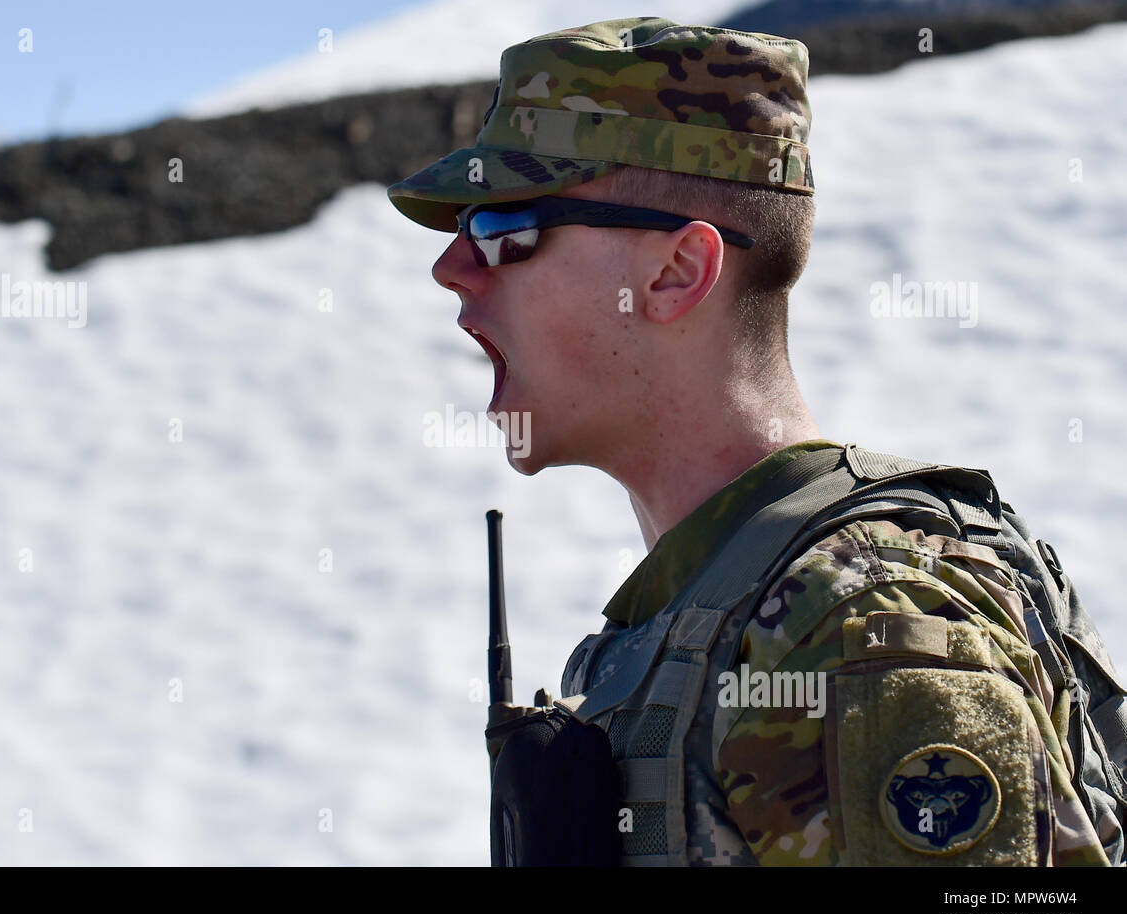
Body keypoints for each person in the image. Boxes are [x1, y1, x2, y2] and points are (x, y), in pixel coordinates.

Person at [387, 18, 1127, 865]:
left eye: (504, 228)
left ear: (675, 274)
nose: (453, 267)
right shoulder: (700, 616)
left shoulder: (854, 624)